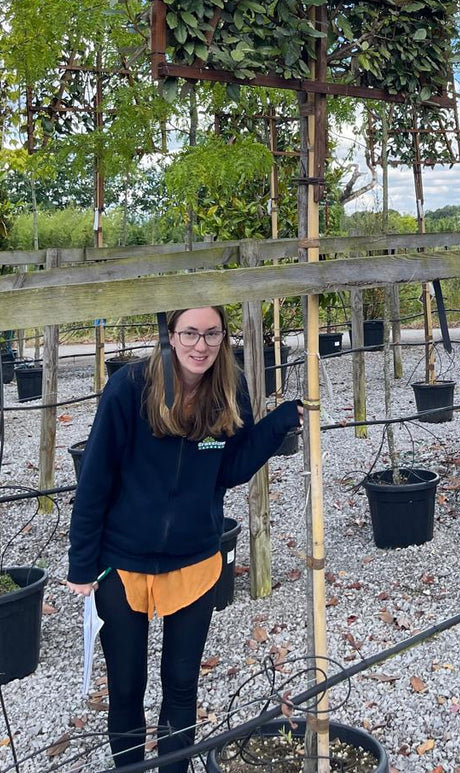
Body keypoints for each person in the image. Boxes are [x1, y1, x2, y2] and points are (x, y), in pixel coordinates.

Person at [66, 306, 302, 770]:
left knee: (180, 686)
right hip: (122, 565)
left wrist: (278, 424)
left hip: (194, 561)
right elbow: (95, 479)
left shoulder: (229, 387)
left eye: (212, 334)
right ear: (170, 334)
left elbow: (230, 467)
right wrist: (81, 563)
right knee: (127, 689)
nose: (201, 345)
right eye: (190, 332)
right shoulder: (130, 388)